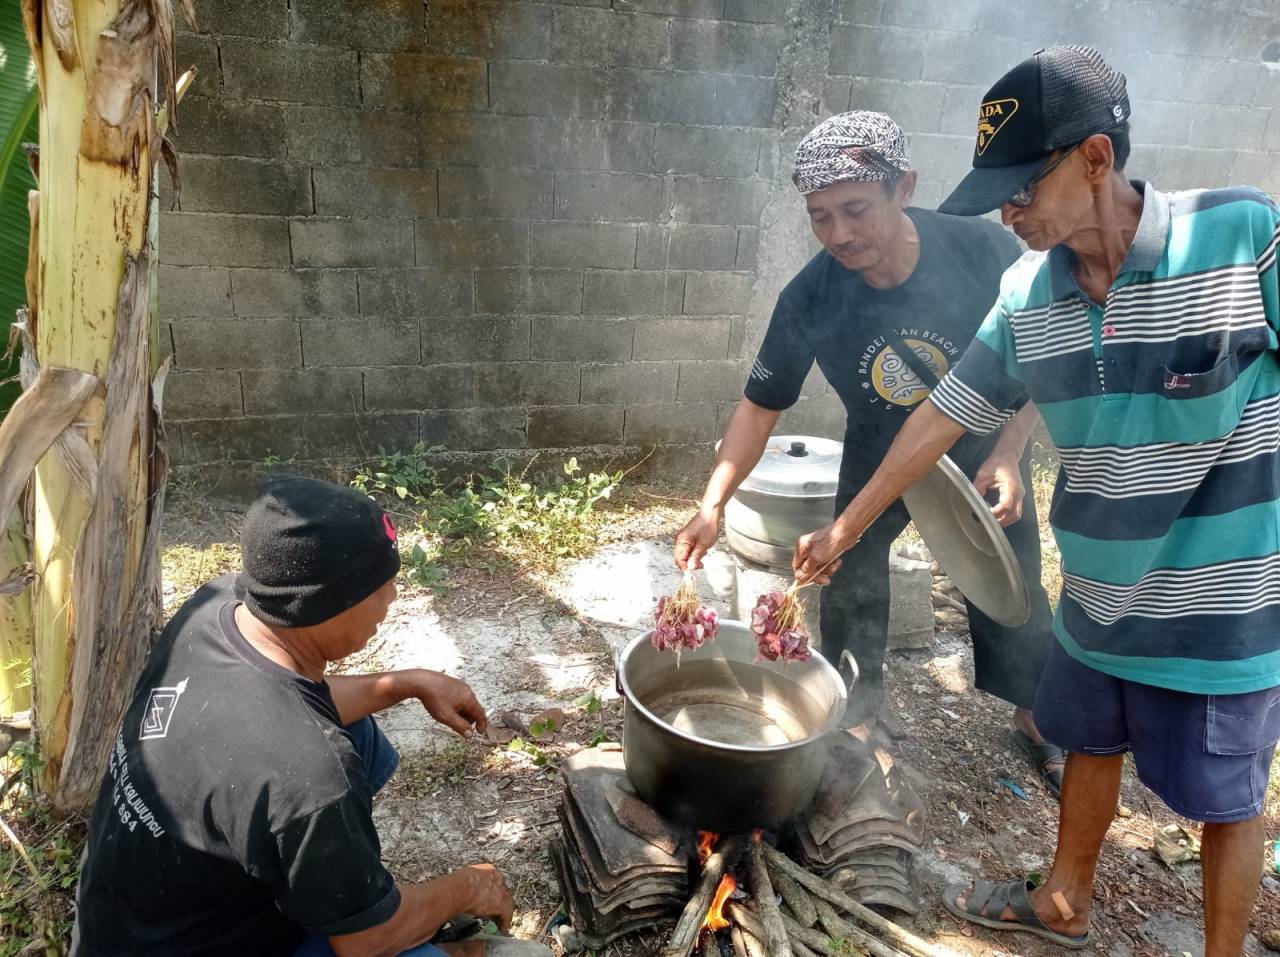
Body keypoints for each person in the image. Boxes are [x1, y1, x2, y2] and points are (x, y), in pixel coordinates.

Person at [793, 46, 1280, 955]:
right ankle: (1065, 898)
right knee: (1088, 740)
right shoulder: (1025, 294)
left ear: (1096, 158)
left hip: (1220, 607)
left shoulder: (1242, 236)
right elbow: (942, 416)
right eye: (998, 195)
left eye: (1023, 189)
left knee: (1227, 799)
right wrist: (847, 527)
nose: (1009, 213)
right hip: (1095, 592)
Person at [672, 110, 1066, 794]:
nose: (839, 234)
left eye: (855, 210)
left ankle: (1037, 713)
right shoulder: (810, 297)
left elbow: (1048, 351)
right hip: (878, 447)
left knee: (1014, 574)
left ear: (903, 187)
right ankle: (855, 711)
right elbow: (760, 406)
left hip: (983, 446)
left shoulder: (981, 249)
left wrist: (1010, 447)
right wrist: (712, 505)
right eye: (820, 217)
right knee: (847, 568)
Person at [71, 478, 551, 957]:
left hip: (129, 921)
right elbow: (368, 943)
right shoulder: (309, 772)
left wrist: (405, 683)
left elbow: (293, 703)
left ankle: (335, 882)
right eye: (381, 586)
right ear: (328, 603)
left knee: (357, 728)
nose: (393, 598)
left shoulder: (215, 607)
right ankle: (356, 904)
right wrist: (470, 887)